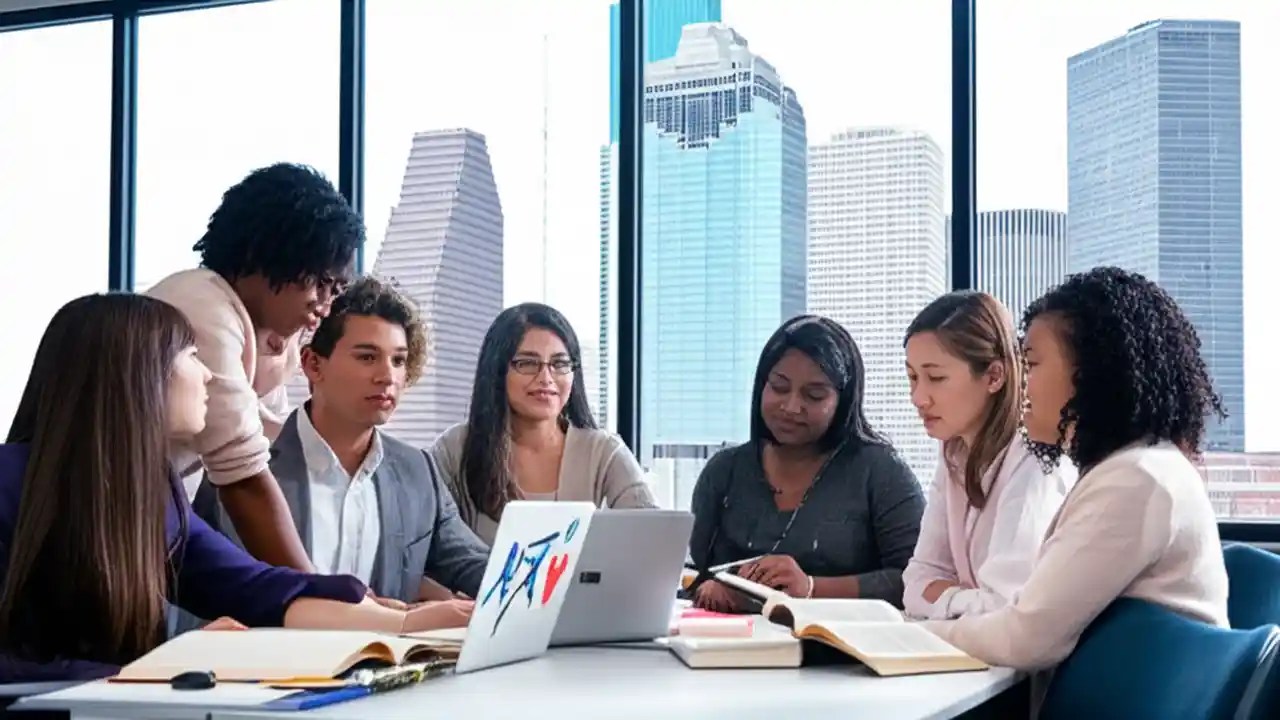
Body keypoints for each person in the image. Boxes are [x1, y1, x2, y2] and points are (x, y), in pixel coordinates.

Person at [0, 294, 471, 683]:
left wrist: (405, 623)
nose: (208, 374)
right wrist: (155, 669)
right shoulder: (8, 481)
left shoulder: (155, 492)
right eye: (190, 356)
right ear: (136, 374)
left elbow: (249, 586)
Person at [922, 267, 1229, 671]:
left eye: (1030, 365)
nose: (1021, 384)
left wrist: (908, 632)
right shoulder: (1136, 469)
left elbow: (1024, 640)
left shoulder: (1137, 481)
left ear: (1091, 372)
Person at [201, 277, 490, 602]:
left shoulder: (418, 472)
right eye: (367, 357)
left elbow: (479, 567)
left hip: (381, 651)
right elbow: (203, 595)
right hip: (267, 650)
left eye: (398, 360)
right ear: (313, 364)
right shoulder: (244, 467)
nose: (388, 376)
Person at [146, 163, 363, 571]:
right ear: (260, 256)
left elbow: (271, 460)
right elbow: (244, 480)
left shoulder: (263, 329)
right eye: (316, 281)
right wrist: (316, 591)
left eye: (335, 289)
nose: (324, 304)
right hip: (93, 513)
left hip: (155, 520)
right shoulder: (202, 305)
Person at [689, 315, 924, 611]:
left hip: (841, 651)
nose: (791, 407)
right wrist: (710, 586)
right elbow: (691, 575)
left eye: (814, 395)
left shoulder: (880, 470)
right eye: (779, 387)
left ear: (843, 401)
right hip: (733, 645)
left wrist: (812, 587)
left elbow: (918, 580)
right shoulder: (724, 471)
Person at [900, 292, 1076, 620]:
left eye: (936, 378)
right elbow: (915, 580)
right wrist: (965, 599)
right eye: (912, 378)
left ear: (994, 376)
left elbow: (1004, 608)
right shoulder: (954, 451)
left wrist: (944, 596)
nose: (918, 397)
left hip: (1018, 665)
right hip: (970, 654)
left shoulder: (1035, 459)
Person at [432, 303, 654, 545]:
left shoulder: (603, 451)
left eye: (559, 364)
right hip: (473, 584)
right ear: (497, 370)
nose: (546, 378)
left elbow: (653, 538)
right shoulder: (454, 449)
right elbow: (424, 552)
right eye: (527, 363)